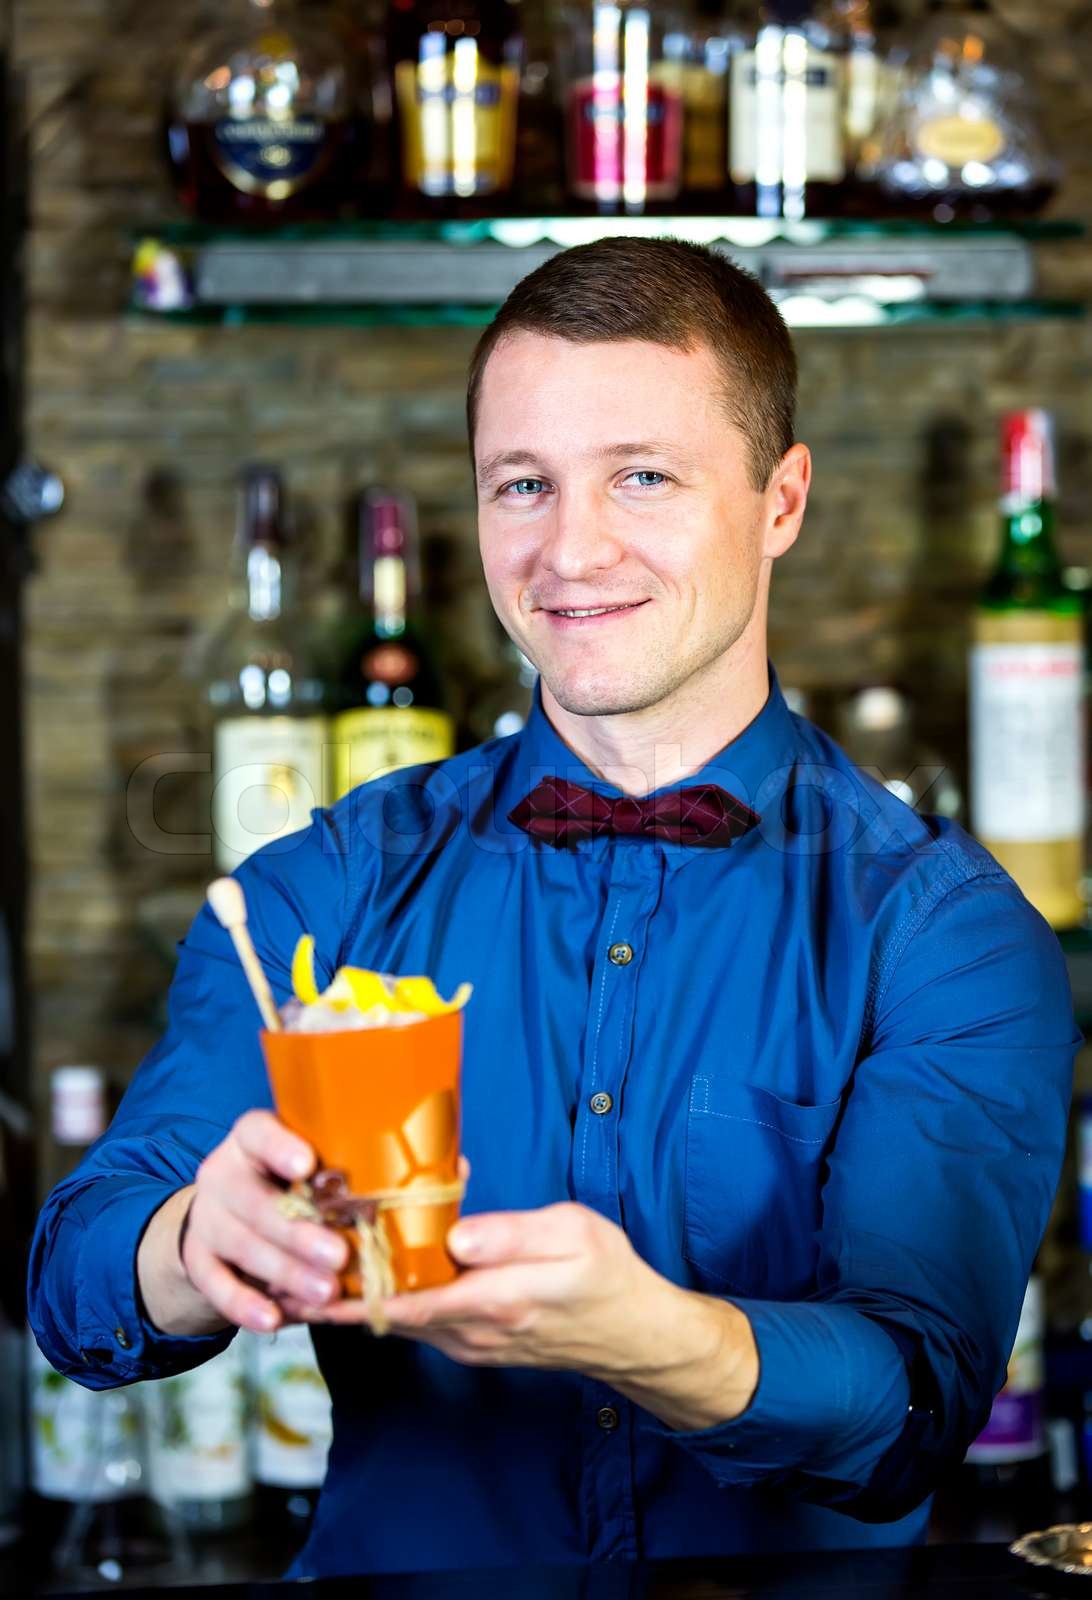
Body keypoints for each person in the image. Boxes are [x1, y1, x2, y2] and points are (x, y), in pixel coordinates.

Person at [29, 237, 1078, 1575]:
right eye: (524, 485)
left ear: (780, 499)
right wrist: (194, 1242)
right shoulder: (325, 888)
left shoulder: (942, 931)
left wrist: (658, 1335)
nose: (571, 551)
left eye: (643, 476)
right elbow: (75, 1282)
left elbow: (914, 1403)